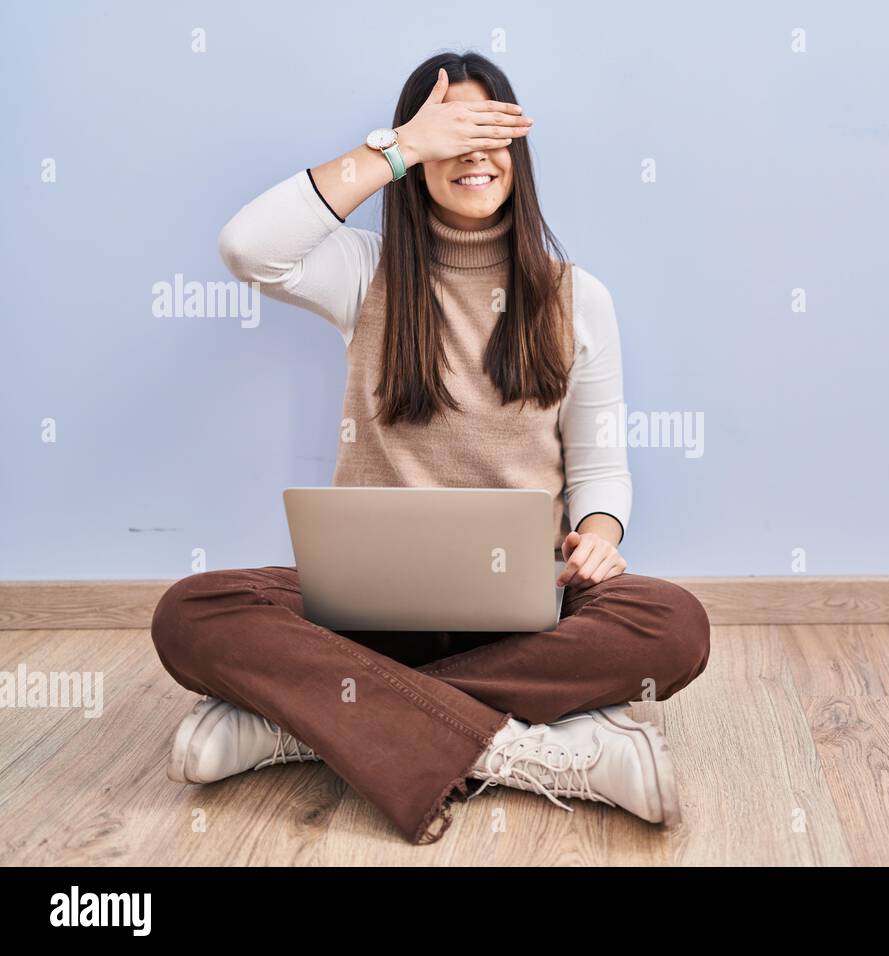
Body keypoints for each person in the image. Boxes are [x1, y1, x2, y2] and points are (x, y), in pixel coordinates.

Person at [149, 51, 711, 845]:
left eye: (491, 133)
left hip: (527, 612)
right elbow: (248, 246)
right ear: (415, 157)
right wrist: (396, 148)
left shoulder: (576, 296)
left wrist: (602, 537)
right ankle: (529, 751)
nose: (475, 154)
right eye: (452, 136)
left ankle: (305, 727)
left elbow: (600, 469)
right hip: (367, 615)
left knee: (672, 623)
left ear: (519, 153)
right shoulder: (362, 274)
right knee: (192, 613)